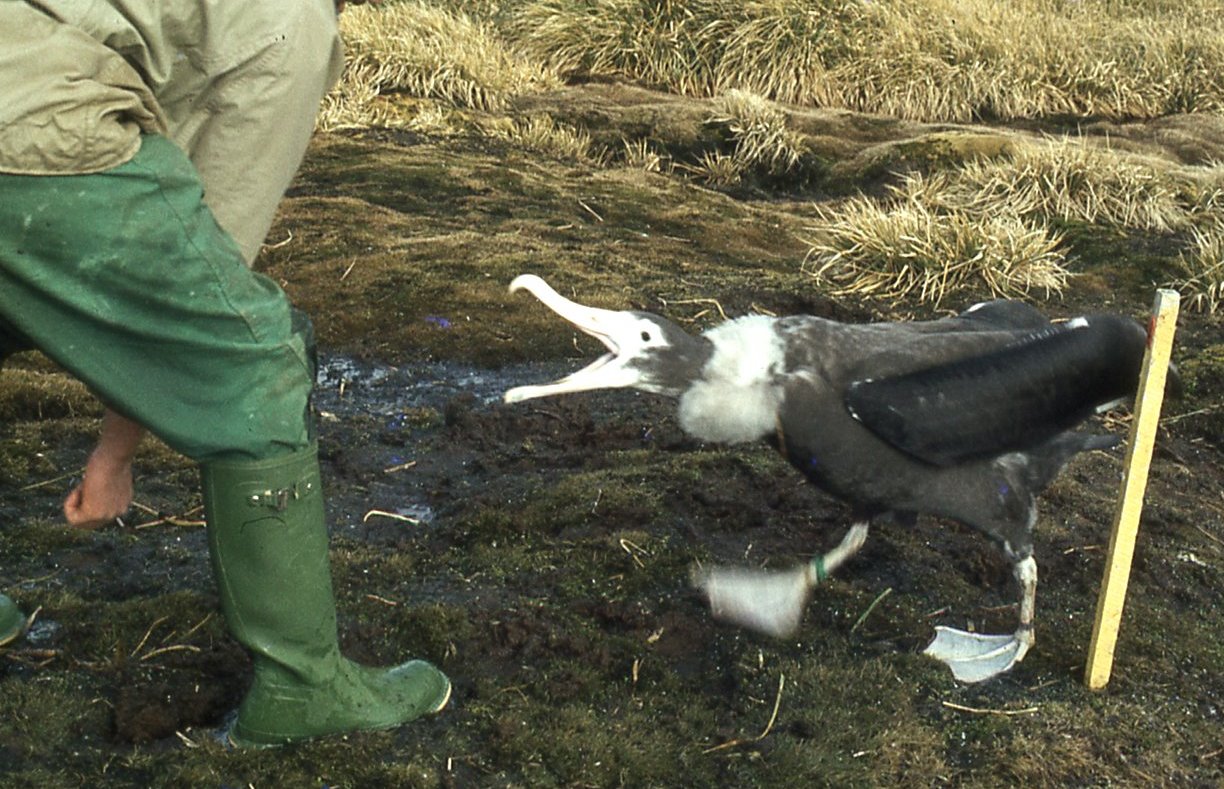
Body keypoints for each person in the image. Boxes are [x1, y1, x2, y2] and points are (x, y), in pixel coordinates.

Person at [0, 0, 451, 747]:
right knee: (257, 356)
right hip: (29, 123)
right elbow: (202, 274)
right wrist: (116, 454)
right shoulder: (291, 24)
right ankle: (303, 687)